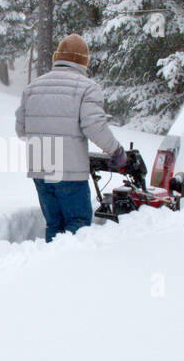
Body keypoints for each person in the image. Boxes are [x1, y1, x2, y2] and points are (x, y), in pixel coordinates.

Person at [15, 33, 126, 242]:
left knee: (54, 224)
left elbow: (21, 129)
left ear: (58, 56)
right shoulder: (87, 87)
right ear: (84, 61)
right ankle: (72, 270)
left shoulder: (33, 87)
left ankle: (52, 269)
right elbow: (94, 125)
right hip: (69, 173)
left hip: (41, 169)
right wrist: (116, 151)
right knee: (78, 224)